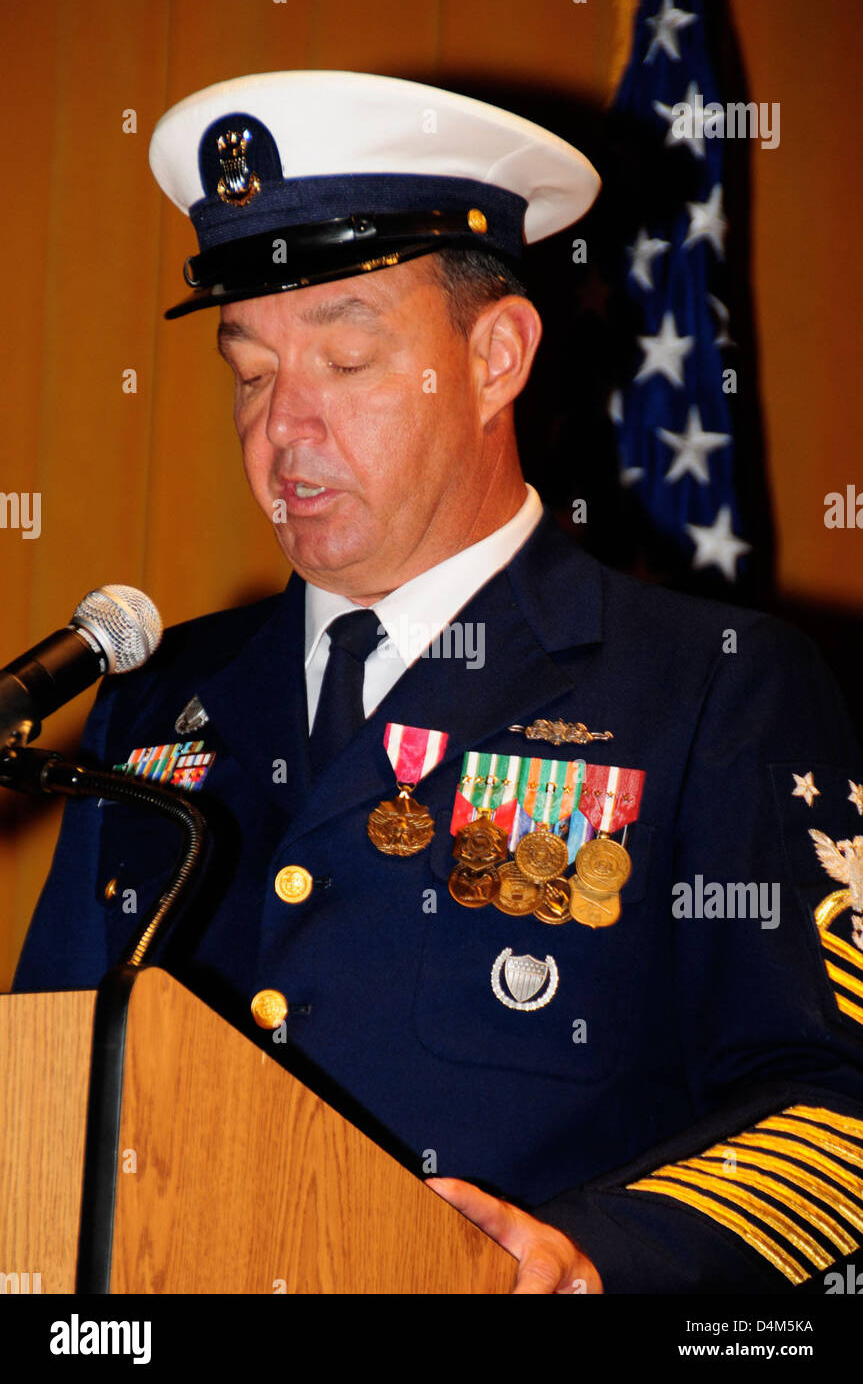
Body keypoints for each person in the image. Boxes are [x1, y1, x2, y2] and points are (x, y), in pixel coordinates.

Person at [13, 70, 863, 1295]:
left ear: (496, 356)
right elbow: (53, 1080)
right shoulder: (164, 691)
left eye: (347, 363)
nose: (283, 433)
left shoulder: (709, 687)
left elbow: (832, 1101)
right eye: (249, 372)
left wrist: (597, 1257)